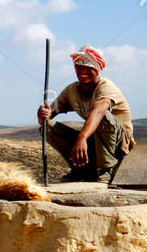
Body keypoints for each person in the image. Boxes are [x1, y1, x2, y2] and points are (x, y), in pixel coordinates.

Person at [35, 46, 135, 182]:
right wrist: (44, 115)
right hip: (93, 142)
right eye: (79, 66)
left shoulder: (106, 86)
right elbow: (51, 112)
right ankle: (81, 168)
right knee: (48, 127)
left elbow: (99, 111)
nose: (83, 71)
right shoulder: (72, 90)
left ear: (97, 70)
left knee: (102, 115)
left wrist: (81, 138)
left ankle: (107, 168)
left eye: (88, 66)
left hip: (119, 145)